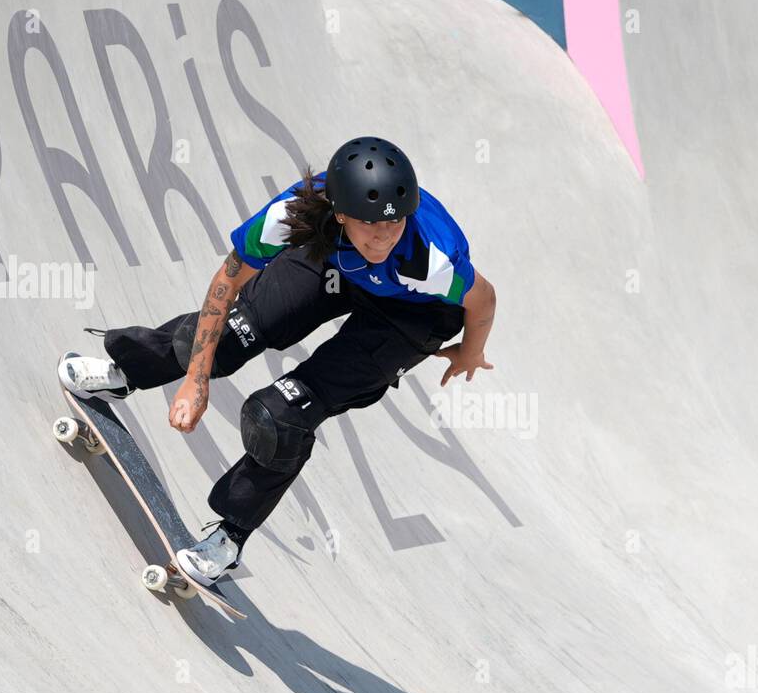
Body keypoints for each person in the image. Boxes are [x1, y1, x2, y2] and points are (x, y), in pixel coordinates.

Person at [58, 136, 496, 585]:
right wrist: (196, 378)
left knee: (280, 415)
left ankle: (229, 538)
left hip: (411, 313)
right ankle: (125, 371)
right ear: (340, 212)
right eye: (370, 225)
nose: (384, 237)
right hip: (333, 260)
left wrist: (471, 352)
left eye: (394, 224)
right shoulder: (295, 213)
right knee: (227, 332)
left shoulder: (432, 258)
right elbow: (227, 283)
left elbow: (483, 300)